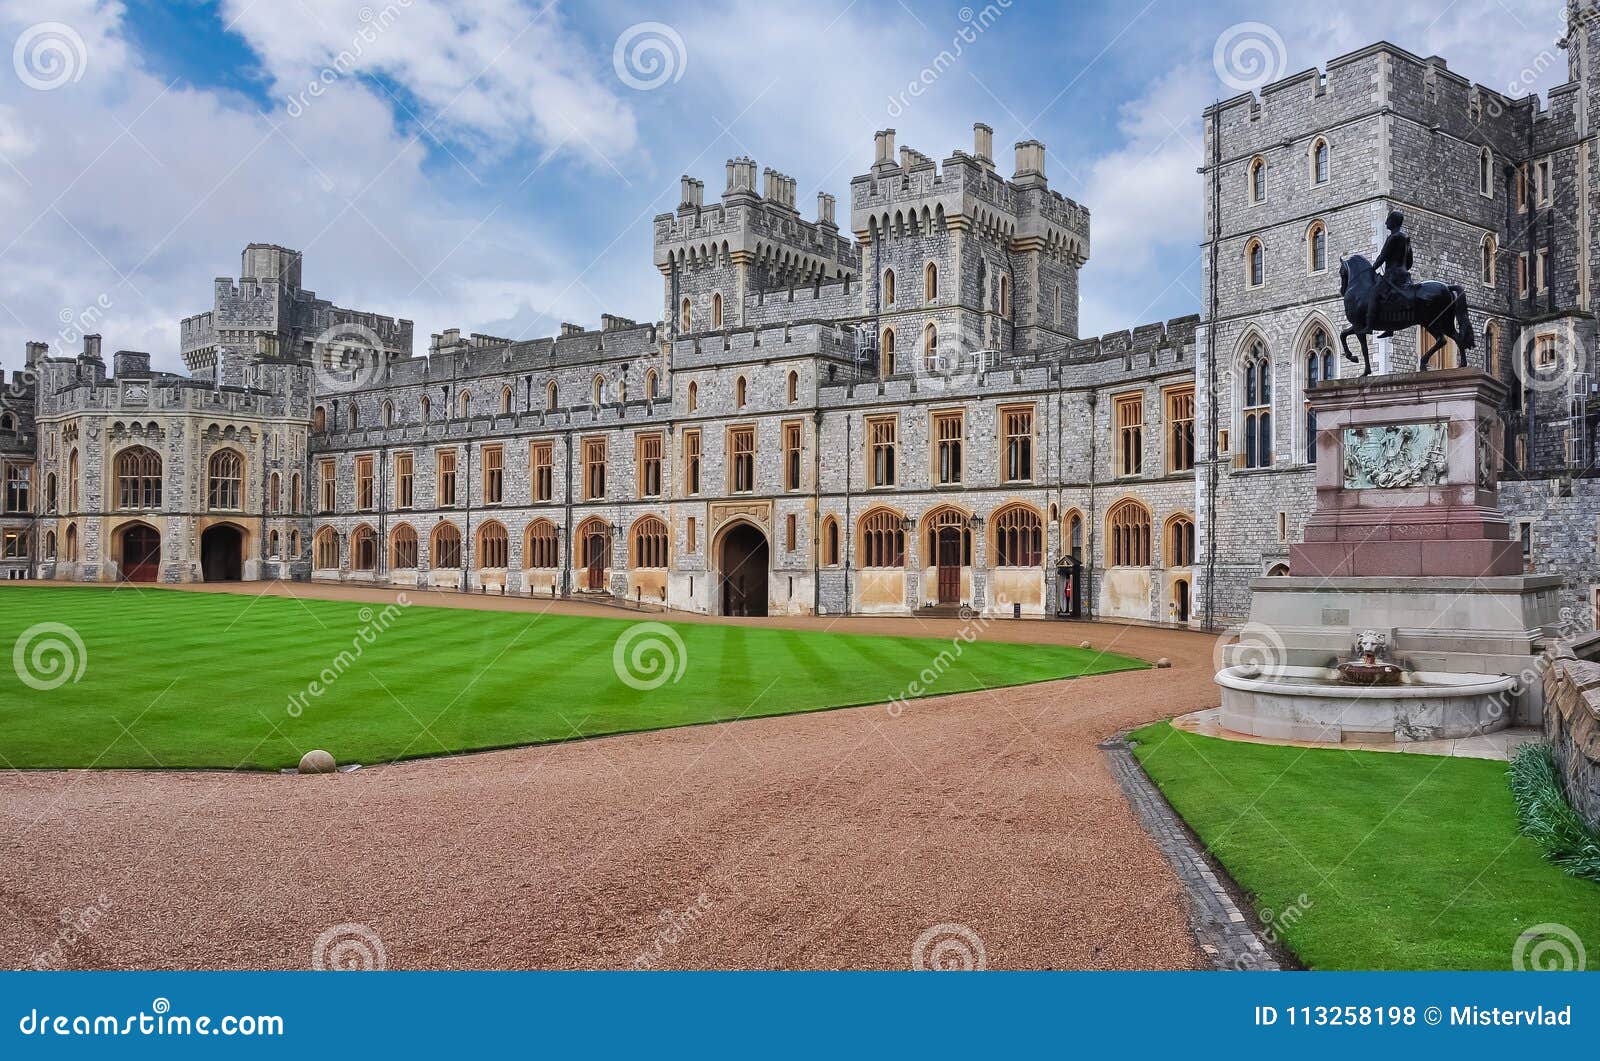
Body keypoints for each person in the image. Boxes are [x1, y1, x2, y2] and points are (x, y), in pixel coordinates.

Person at [1366, 210, 1413, 338]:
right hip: (1404, 275)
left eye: (1388, 219)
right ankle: (1389, 327)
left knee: (1373, 294)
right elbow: (1410, 260)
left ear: (1393, 222)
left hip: (1392, 275)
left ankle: (1369, 327)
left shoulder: (1393, 238)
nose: (1386, 222)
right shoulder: (1406, 238)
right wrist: (1403, 269)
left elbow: (1382, 256)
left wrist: (1372, 268)